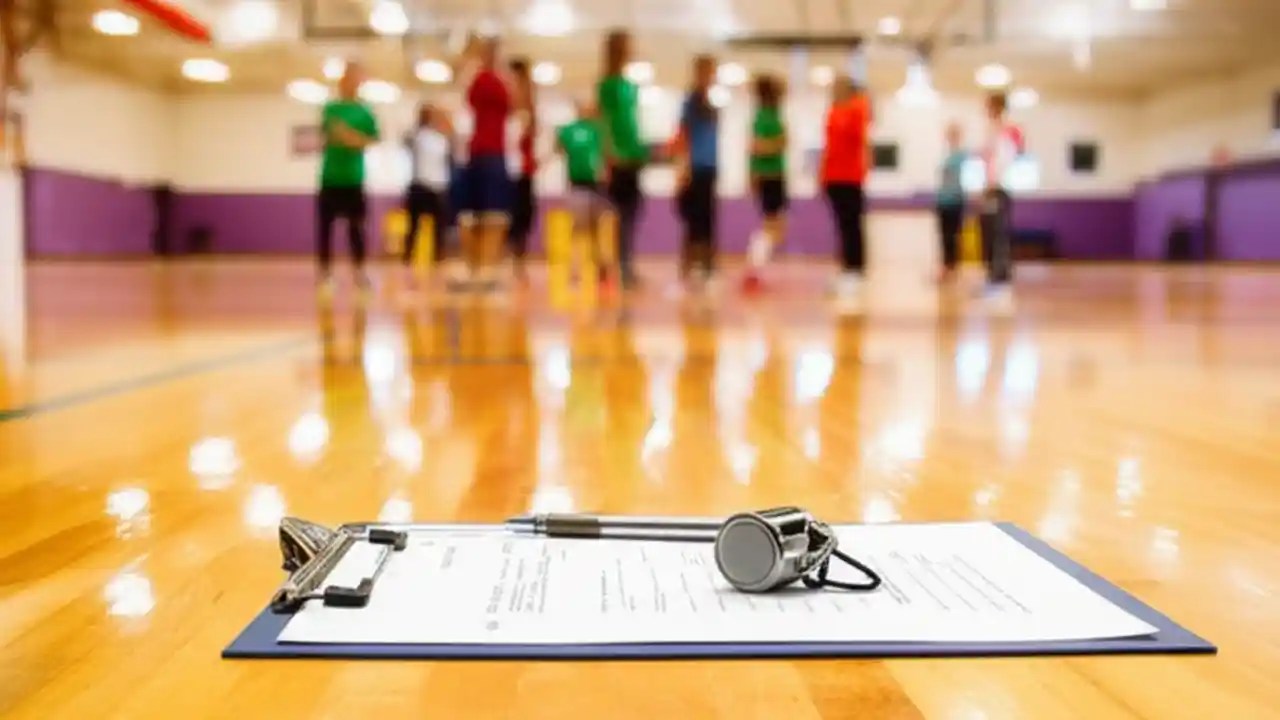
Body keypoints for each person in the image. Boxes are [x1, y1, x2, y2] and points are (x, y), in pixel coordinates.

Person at [317, 61, 380, 300]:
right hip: (330, 178)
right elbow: (330, 133)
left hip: (355, 179)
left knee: (357, 229)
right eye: (347, 78)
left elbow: (371, 139)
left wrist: (353, 138)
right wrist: (348, 138)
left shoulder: (365, 112)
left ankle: (359, 273)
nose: (351, 82)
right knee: (325, 229)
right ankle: (325, 273)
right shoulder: (330, 108)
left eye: (356, 78)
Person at [457, 36, 512, 291]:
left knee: (492, 215)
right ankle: (477, 268)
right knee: (474, 215)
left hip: (492, 153)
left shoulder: (497, 81)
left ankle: (486, 267)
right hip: (481, 153)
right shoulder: (483, 80)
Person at [597, 30, 647, 289]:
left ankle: (625, 264)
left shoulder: (629, 85)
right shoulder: (607, 85)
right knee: (615, 216)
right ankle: (615, 266)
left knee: (631, 213)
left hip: (634, 157)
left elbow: (631, 121)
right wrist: (608, 154)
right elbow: (604, 121)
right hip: (617, 159)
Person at [820, 75, 872, 299]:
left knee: (853, 224)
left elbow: (862, 139)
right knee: (842, 225)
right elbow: (829, 145)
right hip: (833, 177)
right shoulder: (832, 112)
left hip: (851, 176)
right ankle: (846, 268)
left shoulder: (858, 109)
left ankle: (856, 270)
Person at [676, 54, 720, 288]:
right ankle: (690, 267)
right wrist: (683, 167)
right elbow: (682, 136)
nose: (710, 76)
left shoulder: (710, 103)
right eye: (706, 71)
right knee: (694, 221)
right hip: (695, 168)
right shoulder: (691, 102)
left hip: (709, 168)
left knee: (708, 220)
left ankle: (707, 267)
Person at [557, 100, 609, 284]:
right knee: (577, 228)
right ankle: (574, 268)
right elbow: (559, 147)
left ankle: (599, 264)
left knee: (595, 228)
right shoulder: (569, 131)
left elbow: (604, 153)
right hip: (577, 185)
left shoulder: (597, 131)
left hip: (594, 185)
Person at [744, 74, 787, 292]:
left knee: (776, 226)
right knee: (772, 225)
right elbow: (756, 146)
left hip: (776, 174)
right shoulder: (763, 116)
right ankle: (753, 270)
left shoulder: (773, 115)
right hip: (769, 176)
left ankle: (755, 269)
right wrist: (779, 142)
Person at [403, 103, 452, 280]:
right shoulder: (418, 136)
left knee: (439, 230)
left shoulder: (443, 138)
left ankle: (436, 264)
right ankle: (407, 262)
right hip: (420, 186)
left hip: (438, 188)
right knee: (413, 228)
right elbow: (407, 141)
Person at [980, 91, 1021, 303]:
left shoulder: (1007, 130)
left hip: (1000, 189)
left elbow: (1004, 161)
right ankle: (992, 276)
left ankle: (1001, 279)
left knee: (998, 233)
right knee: (988, 232)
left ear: (999, 107)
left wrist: (994, 184)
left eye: (990, 105)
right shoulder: (990, 131)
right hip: (989, 188)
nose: (987, 110)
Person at [507, 58, 538, 283]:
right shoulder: (505, 109)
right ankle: (507, 261)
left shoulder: (530, 110)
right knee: (506, 217)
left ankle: (518, 262)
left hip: (524, 171)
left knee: (523, 217)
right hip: (506, 169)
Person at [936, 121, 967, 282]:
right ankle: (945, 267)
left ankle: (953, 268)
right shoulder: (946, 155)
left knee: (953, 235)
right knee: (944, 236)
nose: (951, 137)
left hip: (956, 201)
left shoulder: (963, 156)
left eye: (954, 134)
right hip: (942, 200)